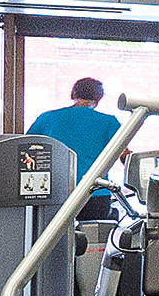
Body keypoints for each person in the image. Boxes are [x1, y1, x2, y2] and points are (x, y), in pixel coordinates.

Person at [27, 77, 125, 215]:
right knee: (94, 234)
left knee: (53, 235)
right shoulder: (109, 122)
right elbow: (124, 156)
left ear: (72, 94)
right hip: (94, 192)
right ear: (99, 97)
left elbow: (26, 151)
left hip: (53, 191)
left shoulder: (46, 118)